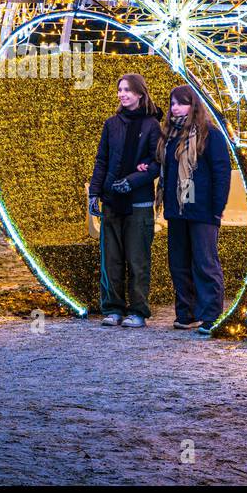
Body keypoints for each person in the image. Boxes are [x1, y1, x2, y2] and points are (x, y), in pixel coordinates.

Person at [88, 73, 162, 328]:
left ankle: (138, 311)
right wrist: (94, 192)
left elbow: (156, 165)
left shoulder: (152, 125)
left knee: (137, 259)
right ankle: (113, 309)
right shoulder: (111, 124)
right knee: (111, 259)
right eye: (120, 90)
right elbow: (102, 160)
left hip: (138, 203)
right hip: (112, 200)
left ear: (140, 93)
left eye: (128, 90)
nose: (122, 94)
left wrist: (132, 180)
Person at [156, 85, 230, 335]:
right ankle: (185, 314)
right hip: (178, 210)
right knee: (179, 263)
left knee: (205, 262)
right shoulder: (169, 135)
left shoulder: (211, 135)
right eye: (172, 103)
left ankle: (211, 316)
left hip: (203, 211)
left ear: (193, 105)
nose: (175, 107)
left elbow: (221, 174)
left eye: (181, 102)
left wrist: (217, 209)